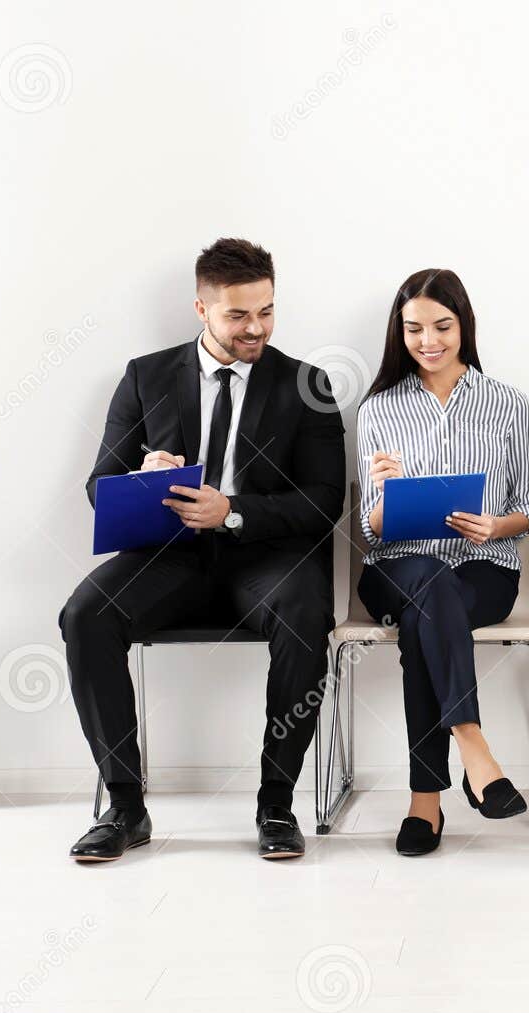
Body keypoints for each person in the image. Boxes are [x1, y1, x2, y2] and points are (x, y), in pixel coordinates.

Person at [60, 238, 344, 862]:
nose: (257, 328)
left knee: (305, 613)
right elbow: (97, 488)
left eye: (267, 311)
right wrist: (140, 478)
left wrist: (234, 511)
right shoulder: (146, 376)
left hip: (264, 558)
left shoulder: (307, 384)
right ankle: (126, 808)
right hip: (171, 559)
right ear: (201, 308)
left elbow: (326, 501)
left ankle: (276, 804)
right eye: (238, 315)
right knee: (85, 614)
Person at [355, 269, 529, 856]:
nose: (428, 340)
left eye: (442, 326)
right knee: (423, 590)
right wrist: (385, 498)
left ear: (464, 326)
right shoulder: (378, 409)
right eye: (413, 329)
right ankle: (473, 745)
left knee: (424, 617)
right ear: (399, 333)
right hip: (397, 564)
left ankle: (425, 803)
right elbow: (370, 526)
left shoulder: (507, 403)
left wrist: (496, 526)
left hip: (483, 568)